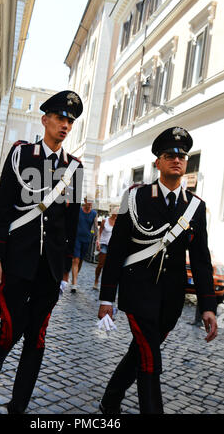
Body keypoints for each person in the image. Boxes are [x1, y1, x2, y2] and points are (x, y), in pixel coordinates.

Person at [0, 90, 83, 414]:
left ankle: (18, 405)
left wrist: (65, 269)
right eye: (61, 118)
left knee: (36, 337)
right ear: (45, 120)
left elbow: (72, 222)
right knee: (11, 327)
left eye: (71, 121)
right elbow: (1, 208)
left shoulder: (74, 168)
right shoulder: (20, 155)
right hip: (15, 262)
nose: (66, 125)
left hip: (49, 270)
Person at [98, 126, 217, 414]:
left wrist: (208, 306)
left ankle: (111, 398)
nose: (177, 160)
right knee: (150, 359)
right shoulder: (135, 197)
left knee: (140, 350)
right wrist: (106, 299)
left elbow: (201, 261)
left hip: (171, 300)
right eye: (169, 155)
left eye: (182, 156)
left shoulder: (196, 208)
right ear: (157, 162)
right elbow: (116, 251)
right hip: (137, 293)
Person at [70, 197, 98, 293]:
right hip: (77, 238)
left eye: (92, 202)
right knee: (76, 259)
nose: (90, 203)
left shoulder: (94, 213)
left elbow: (95, 227)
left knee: (81, 260)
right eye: (89, 201)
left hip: (86, 239)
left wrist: (97, 239)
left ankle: (74, 278)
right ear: (85, 201)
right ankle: (74, 283)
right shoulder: (79, 210)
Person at [93, 207, 118, 290]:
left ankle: (104, 283)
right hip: (104, 244)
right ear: (113, 213)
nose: (117, 214)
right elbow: (99, 232)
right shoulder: (105, 220)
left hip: (113, 247)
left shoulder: (118, 222)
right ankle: (96, 280)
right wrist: (98, 242)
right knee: (100, 265)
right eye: (116, 213)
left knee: (109, 267)